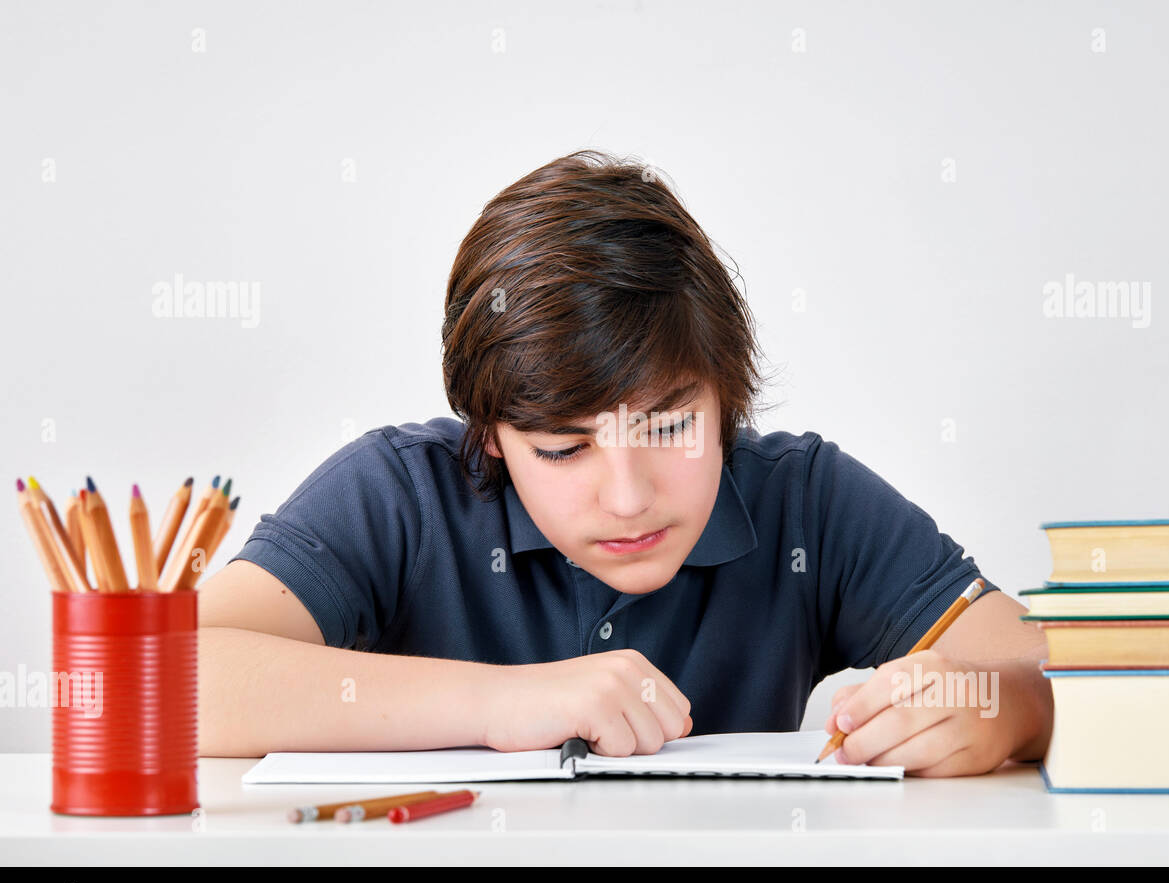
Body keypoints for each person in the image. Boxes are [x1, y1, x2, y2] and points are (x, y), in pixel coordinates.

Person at [197, 149, 1052, 775]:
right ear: (489, 434)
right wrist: (504, 702)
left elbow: (1090, 674)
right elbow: (152, 678)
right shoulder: (400, 496)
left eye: (672, 428)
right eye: (565, 449)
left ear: (727, 398)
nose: (629, 496)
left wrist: (1011, 710)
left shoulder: (805, 502)